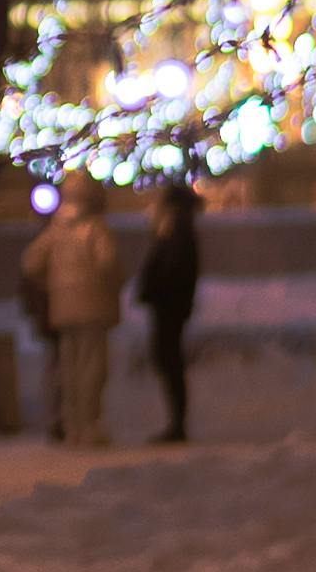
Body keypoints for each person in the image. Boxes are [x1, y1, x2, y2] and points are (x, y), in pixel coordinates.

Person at [26, 186, 128, 444]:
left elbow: (30, 263)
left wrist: (52, 285)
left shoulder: (56, 228)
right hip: (94, 306)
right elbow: (108, 262)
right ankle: (90, 425)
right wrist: (114, 284)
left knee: (68, 368)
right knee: (92, 367)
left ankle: (72, 425)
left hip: (63, 308)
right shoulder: (96, 228)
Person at [133, 177, 206, 443]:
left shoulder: (177, 234)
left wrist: (153, 290)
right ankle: (176, 423)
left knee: (169, 361)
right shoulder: (177, 232)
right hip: (171, 306)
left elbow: (173, 273)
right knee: (168, 361)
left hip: (169, 307)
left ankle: (177, 424)